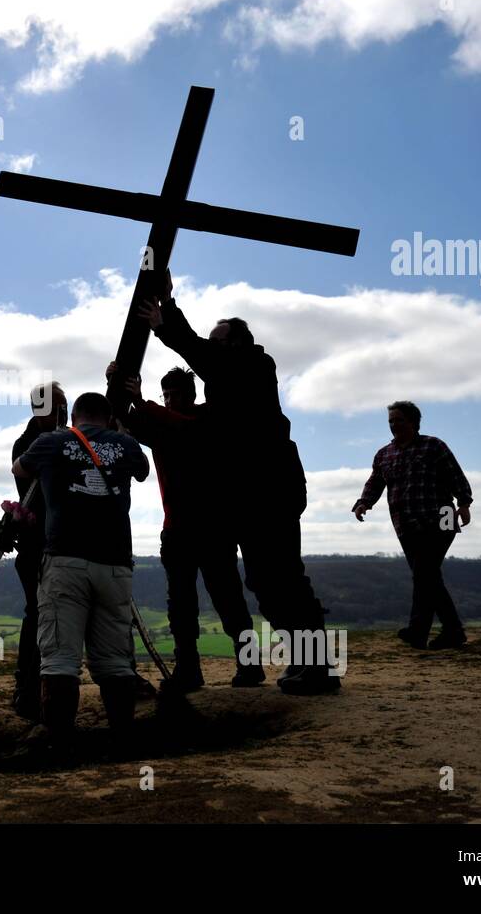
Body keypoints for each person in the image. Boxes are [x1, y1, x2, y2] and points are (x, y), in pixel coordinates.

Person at [140, 271, 338, 695]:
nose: (212, 349)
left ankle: (320, 668)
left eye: (219, 341)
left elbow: (210, 363)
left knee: (284, 578)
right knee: (265, 583)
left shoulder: (255, 366)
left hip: (272, 493)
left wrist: (168, 316)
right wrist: (133, 401)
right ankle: (306, 662)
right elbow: (177, 427)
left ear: (238, 344)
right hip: (249, 501)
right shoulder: (220, 401)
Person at [109, 363, 264, 690]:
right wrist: (116, 382)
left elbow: (180, 427)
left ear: (191, 396)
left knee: (228, 599)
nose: (167, 400)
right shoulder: (163, 429)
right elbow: (129, 422)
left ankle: (249, 667)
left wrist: (141, 401)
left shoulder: (206, 420)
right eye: (163, 394)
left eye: (173, 394)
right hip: (180, 529)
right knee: (181, 604)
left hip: (213, 529)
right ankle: (190, 671)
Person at [12, 392, 150, 759]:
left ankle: (59, 740)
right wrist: (121, 434)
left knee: (59, 655)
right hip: (116, 563)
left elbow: (19, 470)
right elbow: (142, 470)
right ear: (107, 417)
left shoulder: (53, 441)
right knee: (115, 658)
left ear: (71, 416)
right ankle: (123, 737)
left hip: (65, 561)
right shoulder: (125, 443)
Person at [352, 401, 473, 649]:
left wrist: (464, 503)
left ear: (414, 422)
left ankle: (438, 631)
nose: (394, 425)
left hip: (442, 517)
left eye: (399, 420)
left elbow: (455, 474)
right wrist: (364, 502)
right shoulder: (384, 454)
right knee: (425, 576)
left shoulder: (433, 445)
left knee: (424, 573)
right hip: (405, 524)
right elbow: (375, 482)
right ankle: (430, 631)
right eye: (391, 421)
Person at [10, 381, 67, 720]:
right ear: (44, 408)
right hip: (39, 543)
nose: (64, 410)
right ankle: (27, 688)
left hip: (64, 540)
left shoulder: (63, 438)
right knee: (37, 613)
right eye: (60, 404)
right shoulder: (27, 445)